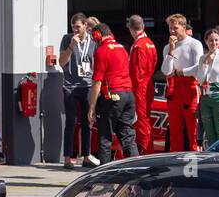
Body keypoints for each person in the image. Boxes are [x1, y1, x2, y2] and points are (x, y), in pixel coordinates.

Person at [89, 26, 137, 163]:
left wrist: (91, 107)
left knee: (105, 137)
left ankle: (106, 181)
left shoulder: (101, 51)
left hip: (112, 96)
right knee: (127, 135)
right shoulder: (122, 48)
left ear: (97, 35)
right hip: (128, 95)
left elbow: (97, 82)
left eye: (94, 37)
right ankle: (137, 173)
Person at [58, 13, 97, 169]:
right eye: (73, 26)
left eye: (78, 27)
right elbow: (61, 62)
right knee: (70, 122)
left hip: (87, 86)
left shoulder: (93, 40)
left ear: (85, 26)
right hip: (70, 86)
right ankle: (68, 158)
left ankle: (86, 156)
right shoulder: (67, 39)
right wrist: (71, 47)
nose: (75, 29)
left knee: (87, 121)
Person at [160, 14, 203, 151]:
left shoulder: (194, 44)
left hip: (190, 88)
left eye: (175, 28)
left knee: (193, 129)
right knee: (174, 129)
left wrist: (180, 72)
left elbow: (198, 68)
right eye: (170, 28)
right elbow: (166, 71)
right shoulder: (167, 47)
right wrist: (171, 51)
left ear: (183, 27)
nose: (172, 32)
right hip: (174, 89)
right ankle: (176, 159)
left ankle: (196, 158)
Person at [125, 15, 157, 155]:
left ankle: (146, 153)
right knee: (145, 120)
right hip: (148, 85)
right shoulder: (150, 43)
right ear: (143, 26)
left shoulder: (138, 46)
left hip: (139, 89)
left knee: (141, 122)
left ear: (130, 29)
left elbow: (137, 74)